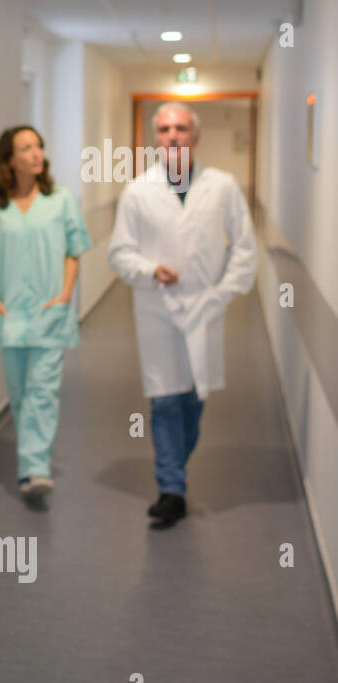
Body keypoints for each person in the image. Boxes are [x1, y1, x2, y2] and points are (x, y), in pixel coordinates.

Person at [107, 101, 257, 526]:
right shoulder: (138, 191)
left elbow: (245, 247)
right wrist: (150, 270)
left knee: (193, 400)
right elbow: (119, 253)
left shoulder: (222, 186)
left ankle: (177, 467)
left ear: (195, 136)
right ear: (156, 138)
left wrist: (224, 292)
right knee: (165, 400)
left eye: (181, 128)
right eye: (165, 129)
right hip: (157, 308)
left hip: (205, 307)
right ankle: (171, 487)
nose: (173, 136)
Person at [0, 126, 91, 500]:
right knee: (19, 394)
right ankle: (30, 463)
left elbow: (74, 249)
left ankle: (35, 468)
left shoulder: (61, 200)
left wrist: (67, 292)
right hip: (10, 315)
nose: (36, 153)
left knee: (42, 391)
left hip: (50, 309)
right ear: (9, 159)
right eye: (26, 148)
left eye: (38, 146)